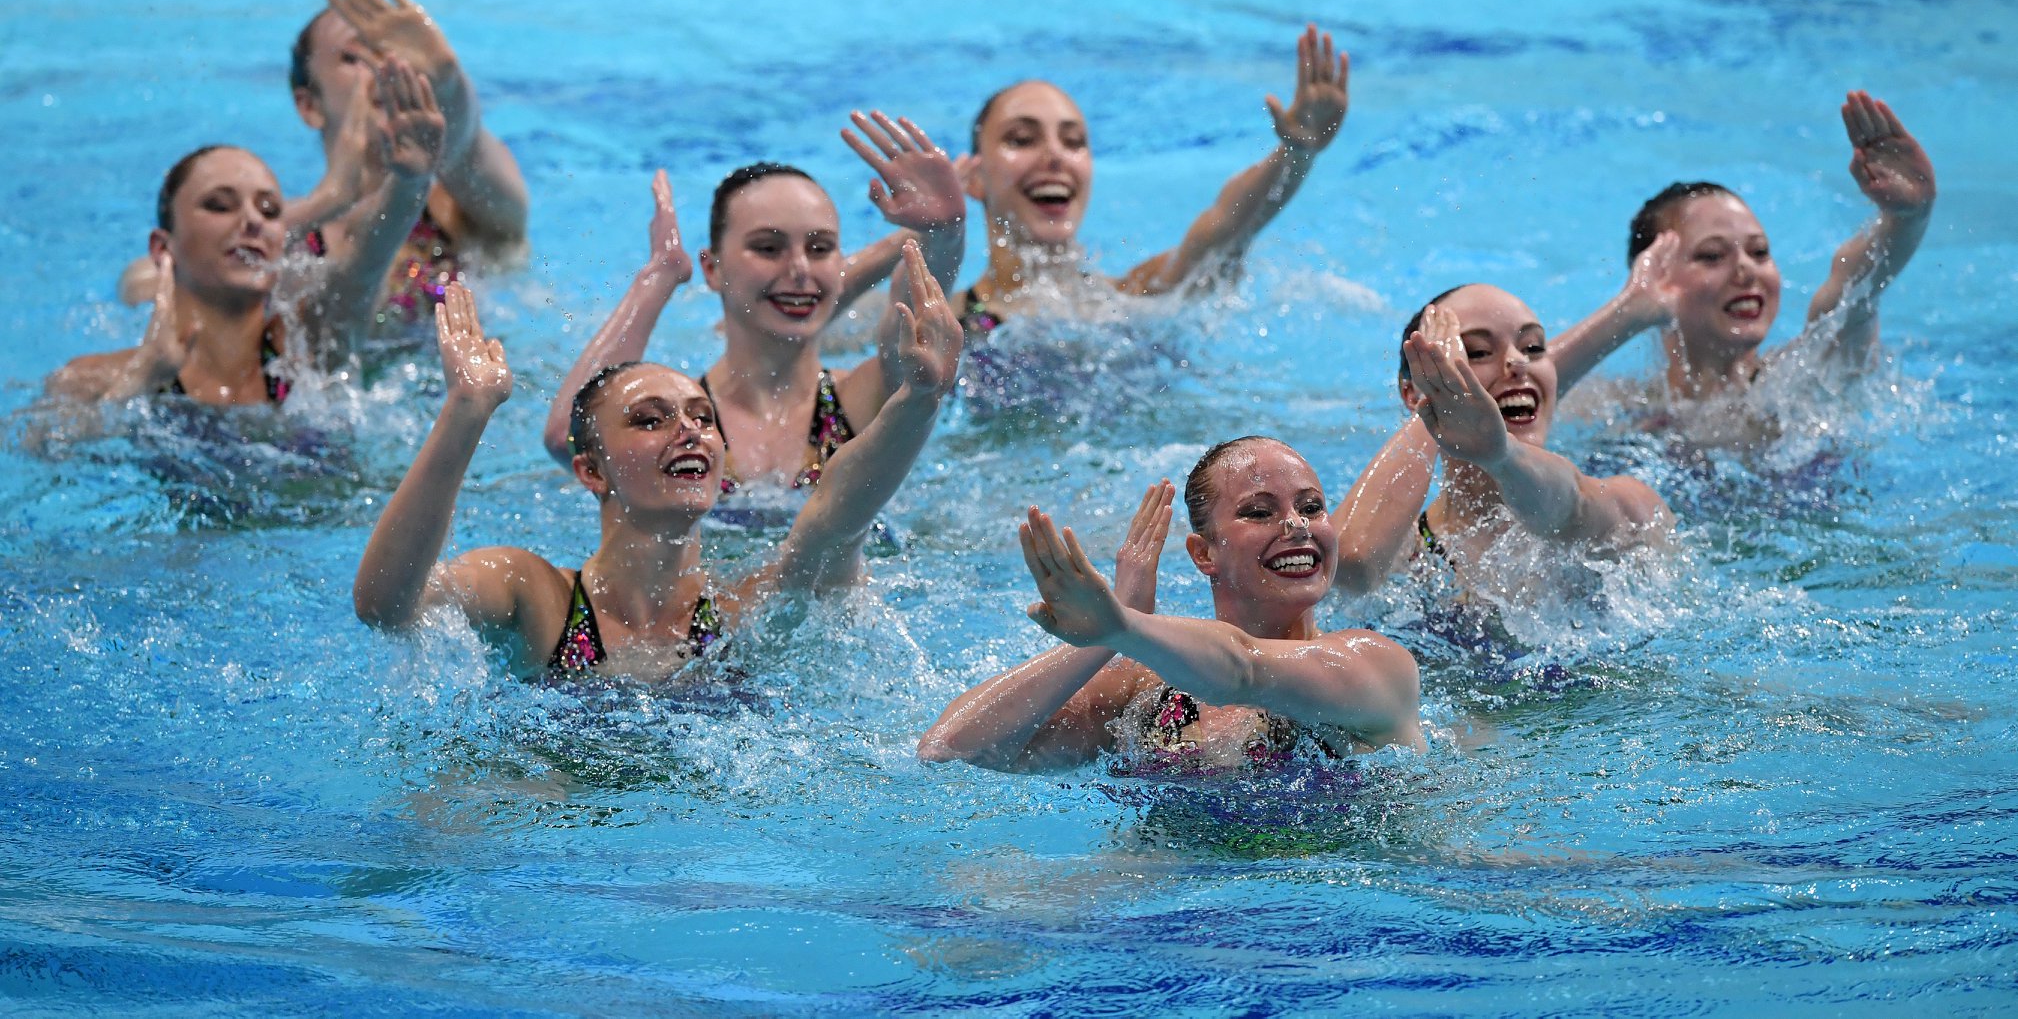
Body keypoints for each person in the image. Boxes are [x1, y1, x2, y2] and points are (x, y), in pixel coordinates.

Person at [353, 247, 961, 682]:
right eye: (650, 419)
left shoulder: (743, 609)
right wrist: (465, 413)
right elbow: (386, 606)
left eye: (701, 417)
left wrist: (919, 401)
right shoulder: (533, 594)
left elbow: (835, 515)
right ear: (591, 472)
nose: (689, 432)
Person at [917, 442, 1424, 774]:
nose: (1297, 526)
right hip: (1167, 904)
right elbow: (953, 749)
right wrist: (1099, 640)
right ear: (1205, 554)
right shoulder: (1146, 692)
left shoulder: (1371, 665)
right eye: (1260, 512)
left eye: (1312, 507)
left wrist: (1123, 626)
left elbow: (1242, 667)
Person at [540, 111, 965, 493]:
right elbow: (572, 439)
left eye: (819, 249)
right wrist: (660, 275)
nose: (800, 268)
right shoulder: (681, 420)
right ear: (712, 269)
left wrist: (945, 233)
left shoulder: (861, 399)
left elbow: (913, 331)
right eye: (768, 248)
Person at [120, 0, 529, 321]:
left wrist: (447, 79)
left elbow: (464, 147)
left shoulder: (459, 213)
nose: (380, 71)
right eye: (354, 58)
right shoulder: (286, 240)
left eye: (392, 55)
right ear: (309, 105)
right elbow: (142, 284)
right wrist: (329, 199)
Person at [45, 61, 449, 409]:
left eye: (270, 210)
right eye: (219, 205)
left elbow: (366, 260)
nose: (252, 221)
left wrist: (412, 179)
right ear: (162, 247)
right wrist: (143, 379)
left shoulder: (309, 350)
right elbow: (43, 450)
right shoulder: (87, 381)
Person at [1547, 91, 1937, 411]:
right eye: (1712, 256)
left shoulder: (1807, 382)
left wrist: (1907, 216)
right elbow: (1500, 409)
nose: (1746, 270)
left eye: (1760, 252)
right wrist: (1629, 312)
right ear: (1655, 277)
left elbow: (1858, 282)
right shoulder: (1613, 408)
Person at [951, 24, 1349, 334]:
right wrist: (932, 233)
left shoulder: (1134, 297)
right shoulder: (947, 322)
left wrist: (1296, 152)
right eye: (1021, 139)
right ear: (974, 178)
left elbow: (1228, 228)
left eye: (1073, 142)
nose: (1054, 155)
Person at [1328, 288, 1673, 613]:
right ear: (1411, 393)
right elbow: (1351, 568)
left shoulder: (1632, 506)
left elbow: (1565, 507)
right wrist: (1436, 403)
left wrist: (1500, 454)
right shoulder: (1411, 553)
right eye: (1476, 353)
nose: (1518, 363)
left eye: (1534, 348)